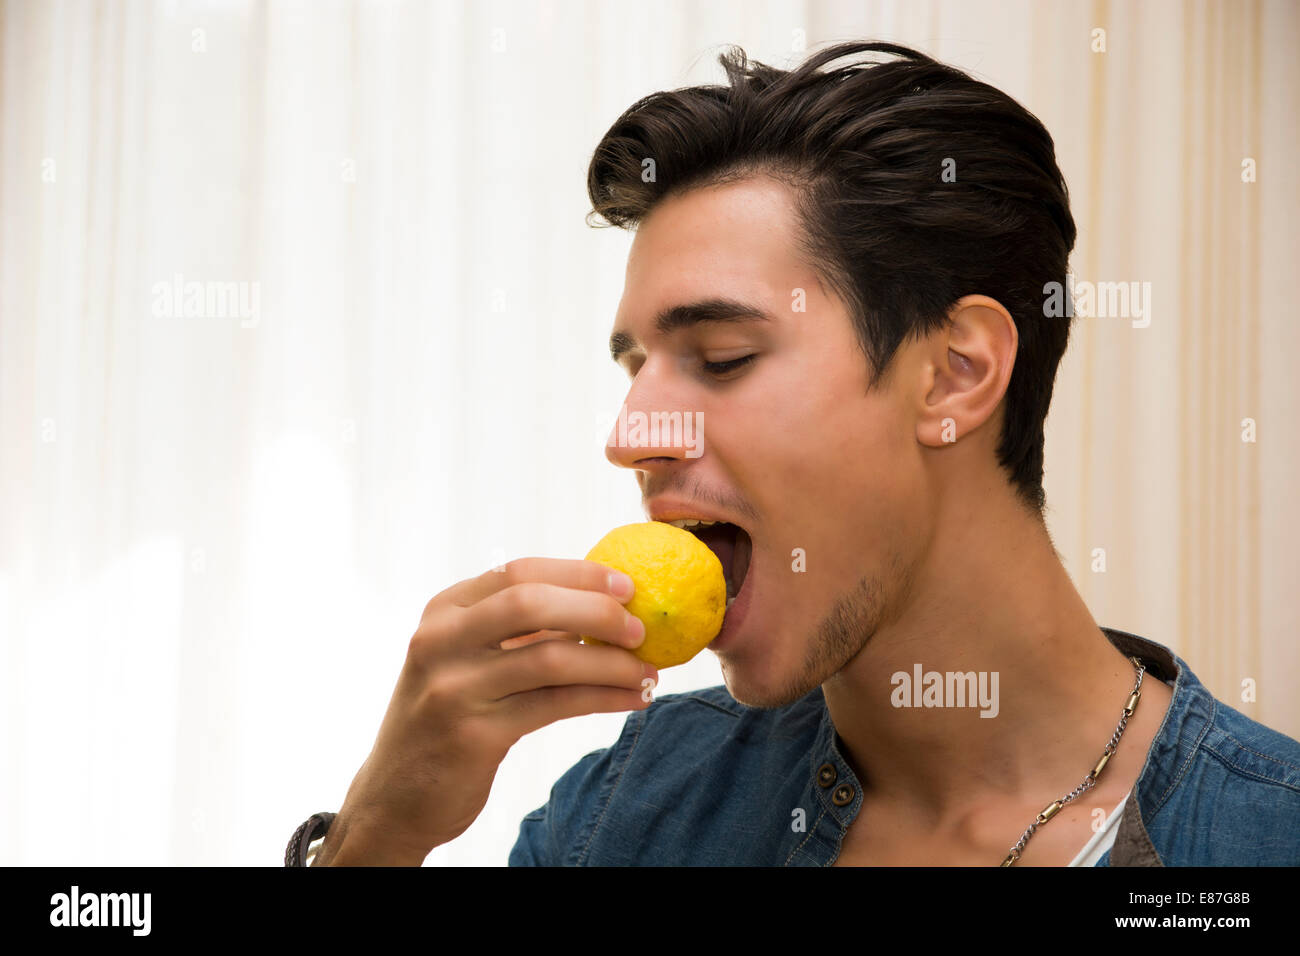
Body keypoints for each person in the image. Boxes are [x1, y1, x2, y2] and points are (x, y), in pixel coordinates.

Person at [295, 41, 1300, 867]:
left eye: (721, 356)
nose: (629, 434)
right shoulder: (625, 810)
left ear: (953, 372)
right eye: (636, 365)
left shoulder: (1265, 837)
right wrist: (379, 833)